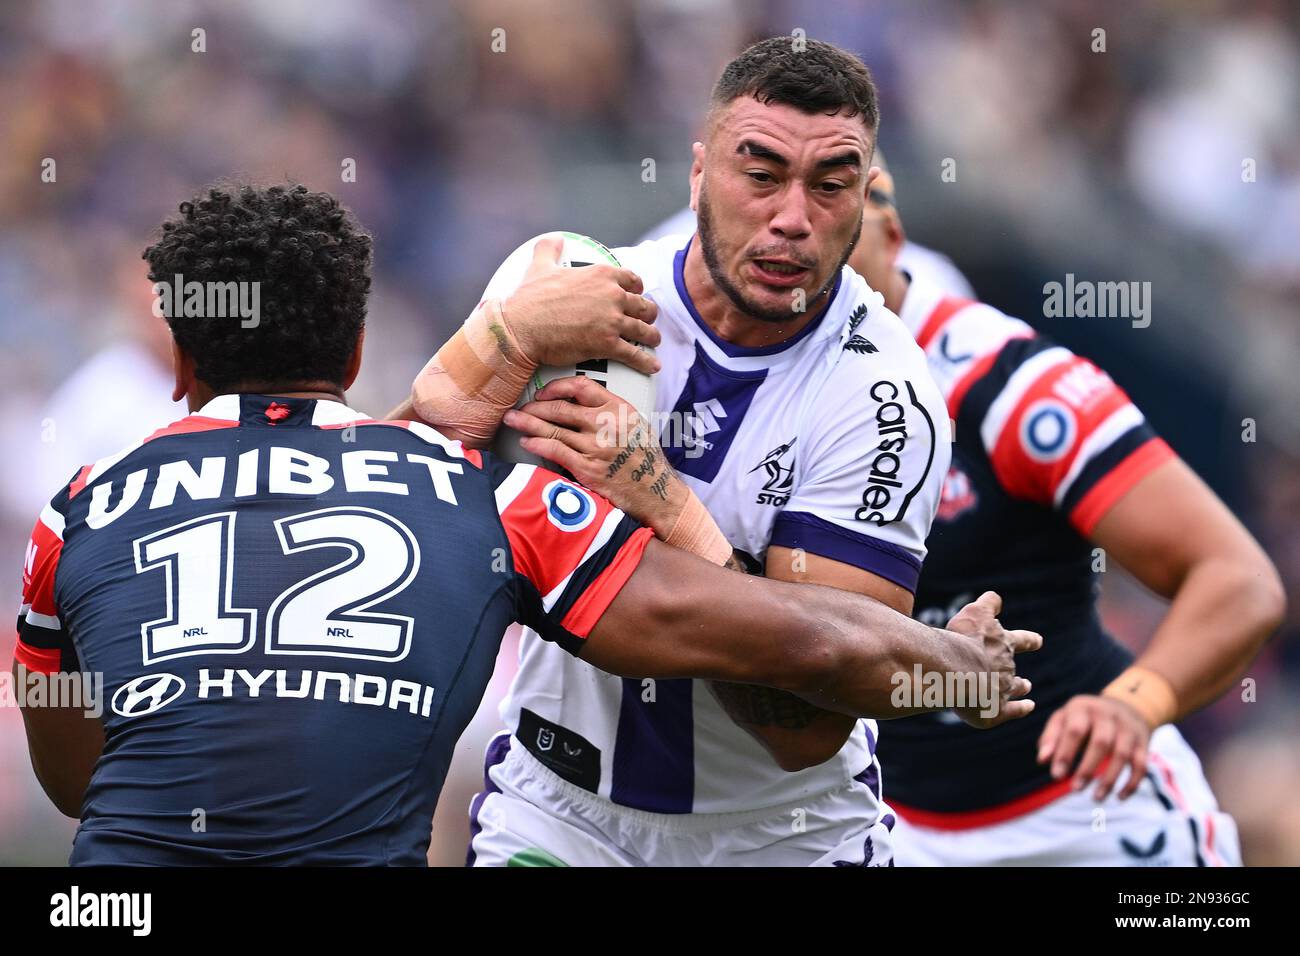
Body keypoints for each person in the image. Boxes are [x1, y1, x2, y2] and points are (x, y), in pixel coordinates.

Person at [12, 182, 1038, 866]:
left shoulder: (73, 512)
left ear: (178, 360)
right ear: (358, 349)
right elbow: (799, 640)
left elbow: (71, 779)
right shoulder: (488, 500)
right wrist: (952, 660)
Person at [402, 38, 961, 866]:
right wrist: (499, 339)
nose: (793, 218)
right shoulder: (578, 297)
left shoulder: (884, 399)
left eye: (830, 185)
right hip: (561, 813)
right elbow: (390, 493)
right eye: (761, 174)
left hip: (784, 835)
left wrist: (666, 504)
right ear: (699, 175)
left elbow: (804, 729)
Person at [847, 162, 1285, 865]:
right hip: (884, 822)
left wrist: (1134, 705)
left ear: (890, 233)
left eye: (834, 207)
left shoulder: (1012, 383)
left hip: (1085, 813)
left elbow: (1238, 578)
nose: (801, 241)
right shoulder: (743, 379)